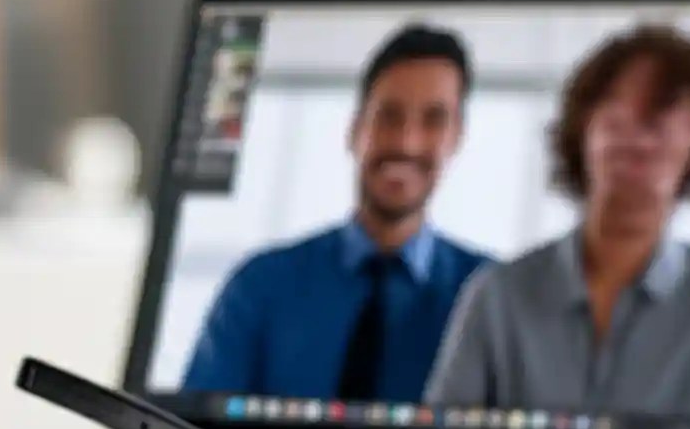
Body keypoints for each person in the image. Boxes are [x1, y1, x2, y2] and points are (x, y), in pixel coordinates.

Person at [425, 25, 690, 419]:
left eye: (658, 118)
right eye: (617, 115)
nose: (635, 139)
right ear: (582, 130)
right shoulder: (496, 294)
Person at [183, 24, 491, 402]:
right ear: (355, 128)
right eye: (389, 115)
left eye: (434, 120)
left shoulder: (491, 295)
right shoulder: (259, 286)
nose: (407, 142)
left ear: (456, 138)